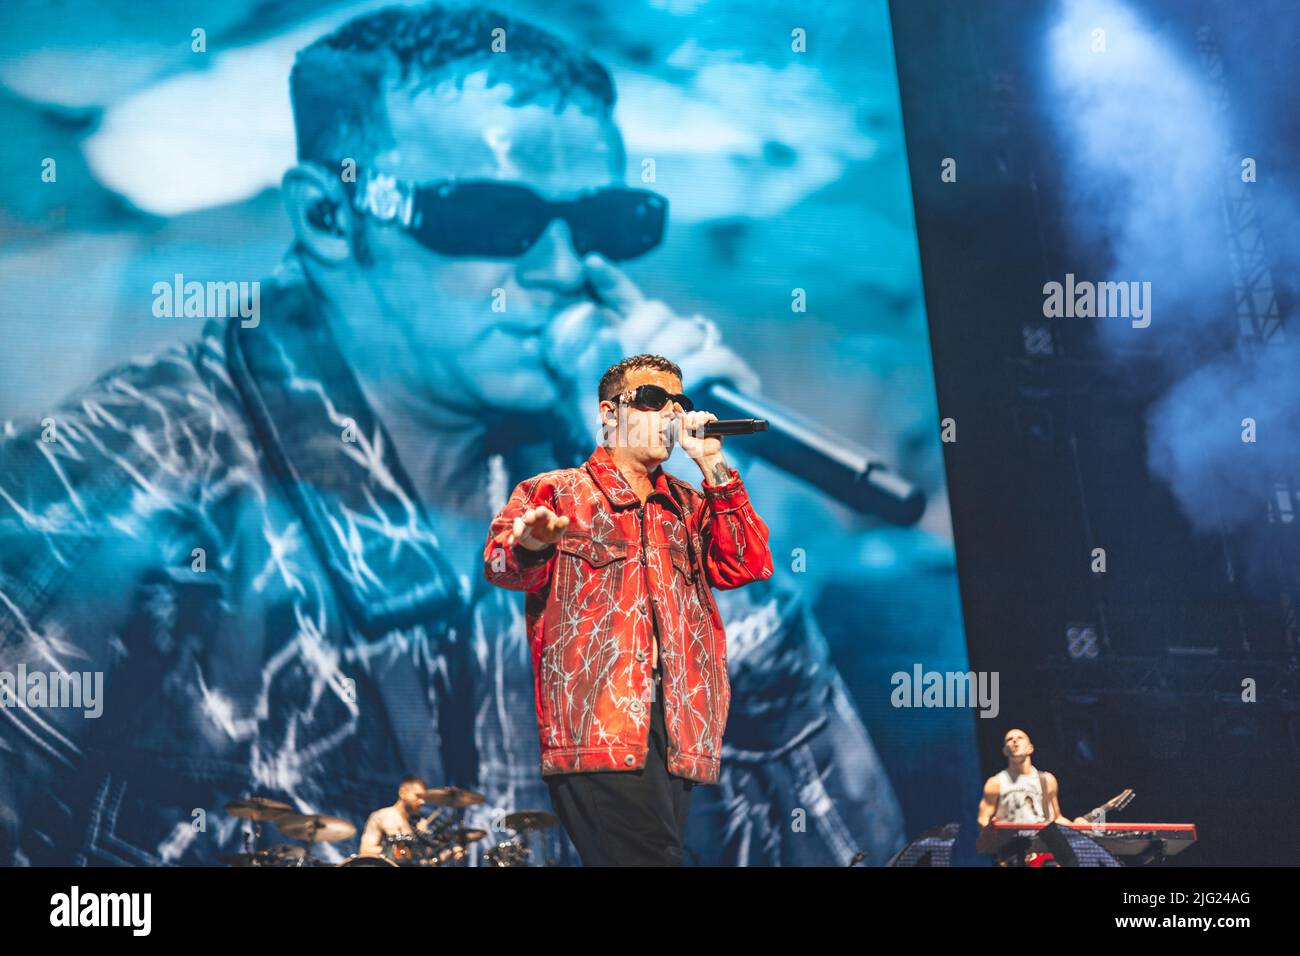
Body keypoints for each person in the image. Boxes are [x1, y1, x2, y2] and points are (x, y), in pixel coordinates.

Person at [0, 2, 902, 867]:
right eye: (489, 218)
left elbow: (833, 841)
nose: (558, 266)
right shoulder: (110, 482)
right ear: (328, 216)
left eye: (603, 224)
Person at [483, 354, 772, 865]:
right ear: (609, 412)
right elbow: (503, 565)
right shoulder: (556, 491)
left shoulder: (691, 503)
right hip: (602, 723)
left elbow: (749, 563)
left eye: (679, 402)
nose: (670, 412)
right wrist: (530, 543)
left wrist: (713, 465)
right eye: (652, 399)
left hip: (682, 727)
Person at [976, 728, 1089, 864]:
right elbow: (983, 818)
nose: (1015, 741)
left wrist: (1075, 828)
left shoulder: (1047, 780)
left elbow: (1055, 818)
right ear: (1005, 751)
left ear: (1030, 748)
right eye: (1009, 739)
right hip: (1013, 853)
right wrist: (992, 831)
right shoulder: (996, 783)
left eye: (1020, 738)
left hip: (1044, 854)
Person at [358, 776, 432, 859]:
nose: (422, 802)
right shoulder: (382, 816)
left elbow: (427, 858)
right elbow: (365, 850)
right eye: (418, 796)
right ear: (402, 792)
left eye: (424, 798)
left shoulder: (420, 823)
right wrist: (397, 852)